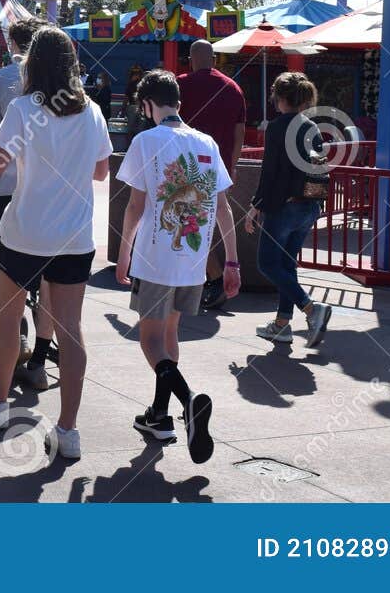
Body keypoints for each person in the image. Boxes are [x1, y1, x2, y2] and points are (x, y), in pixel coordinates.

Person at [0, 26, 111, 462]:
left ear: (34, 64)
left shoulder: (26, 108)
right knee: (71, 328)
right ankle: (68, 430)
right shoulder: (94, 112)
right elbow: (101, 172)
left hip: (25, 232)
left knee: (8, 320)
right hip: (76, 236)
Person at [117, 68, 241, 464]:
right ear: (179, 104)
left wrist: (124, 252)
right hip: (194, 259)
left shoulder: (145, 140)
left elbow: (136, 205)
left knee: (150, 340)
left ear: (147, 104)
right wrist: (233, 262)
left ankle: (187, 401)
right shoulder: (205, 142)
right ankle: (159, 415)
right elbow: (222, 208)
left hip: (155, 257)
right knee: (170, 335)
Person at [0, 19, 55, 376]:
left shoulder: (2, 80)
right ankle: (41, 353)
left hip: (9, 187)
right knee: (52, 275)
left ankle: (12, 319)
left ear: (12, 43)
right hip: (54, 195)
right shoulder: (67, 89)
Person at [246, 72, 334, 347]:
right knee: (286, 264)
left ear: (279, 97)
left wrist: (255, 206)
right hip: (308, 206)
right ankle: (282, 324)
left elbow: (269, 172)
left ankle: (311, 309)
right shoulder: (311, 126)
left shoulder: (278, 126)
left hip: (283, 207)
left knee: (267, 263)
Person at [177, 39, 247, 310]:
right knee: (205, 223)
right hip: (218, 168)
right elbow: (239, 132)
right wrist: (233, 165)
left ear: (191, 60)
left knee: (189, 224)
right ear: (214, 60)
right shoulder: (233, 88)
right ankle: (212, 274)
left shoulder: (180, 85)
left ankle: (214, 276)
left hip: (185, 166)